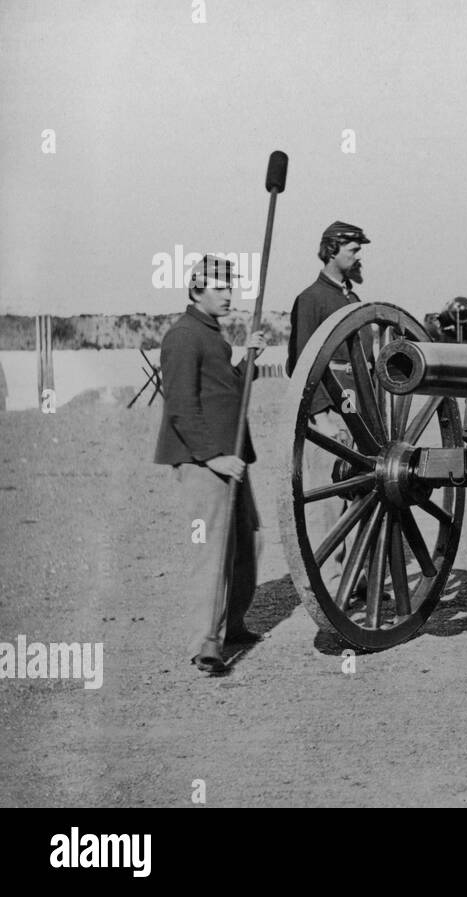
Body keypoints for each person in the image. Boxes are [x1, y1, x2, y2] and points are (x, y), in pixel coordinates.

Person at [154, 255, 267, 674]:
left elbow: (227, 390)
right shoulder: (183, 337)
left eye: (230, 286)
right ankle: (206, 641)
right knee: (212, 552)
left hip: (231, 457)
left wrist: (247, 361)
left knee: (247, 544)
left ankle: (232, 625)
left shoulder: (212, 335)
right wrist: (213, 457)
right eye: (219, 287)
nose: (228, 294)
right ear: (195, 290)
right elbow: (180, 408)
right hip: (207, 463)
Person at [286, 221, 370, 599]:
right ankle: (333, 585)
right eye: (352, 250)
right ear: (331, 250)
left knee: (364, 495)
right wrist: (321, 414)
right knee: (330, 502)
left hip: (361, 414)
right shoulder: (311, 299)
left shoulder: (353, 300)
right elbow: (301, 363)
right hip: (330, 415)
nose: (358, 257)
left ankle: (361, 576)